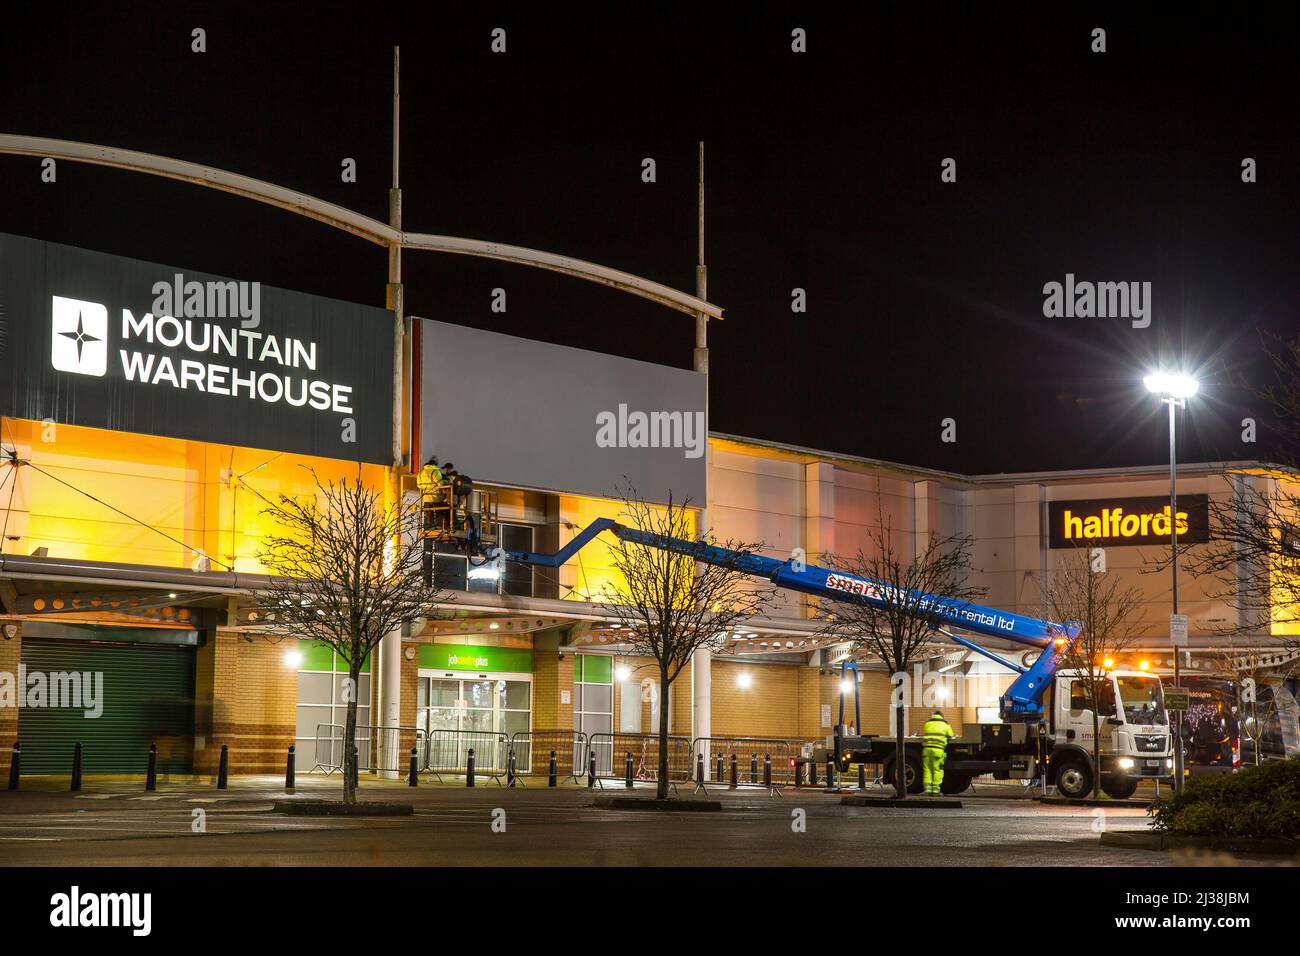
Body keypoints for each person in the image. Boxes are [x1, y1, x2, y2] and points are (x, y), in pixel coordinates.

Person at [920, 709, 955, 796]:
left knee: (927, 770)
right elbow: (951, 736)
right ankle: (935, 791)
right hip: (938, 751)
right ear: (942, 716)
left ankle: (928, 790)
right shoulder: (945, 724)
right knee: (937, 770)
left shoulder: (927, 723)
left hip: (926, 750)